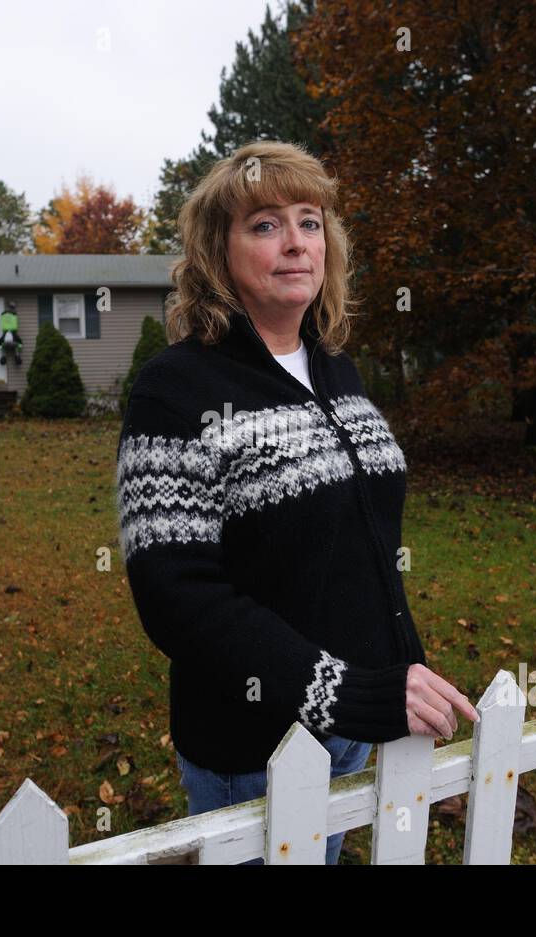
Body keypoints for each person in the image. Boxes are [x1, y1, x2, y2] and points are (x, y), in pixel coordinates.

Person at [116, 140, 478, 865]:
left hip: (352, 728)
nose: (294, 243)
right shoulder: (174, 388)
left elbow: (361, 538)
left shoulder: (337, 369)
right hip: (253, 748)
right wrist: (337, 689)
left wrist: (396, 668)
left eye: (309, 222)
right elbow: (176, 593)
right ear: (218, 254)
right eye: (265, 224)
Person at [0, 301, 22, 366]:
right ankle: (15, 357)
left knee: (4, 348)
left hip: (8, 343)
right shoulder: (13, 332)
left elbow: (1, 340)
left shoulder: (8, 332)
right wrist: (20, 345)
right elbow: (18, 339)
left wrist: (0, 345)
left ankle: (6, 357)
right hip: (11, 343)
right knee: (15, 347)